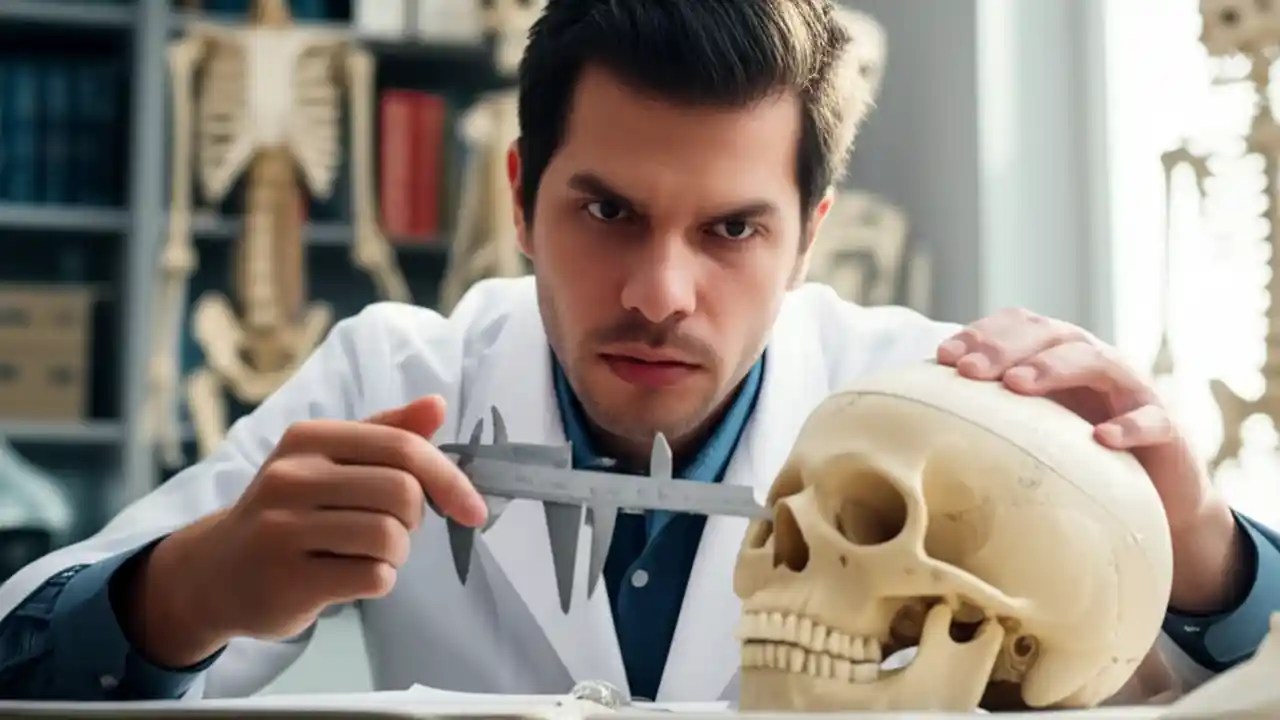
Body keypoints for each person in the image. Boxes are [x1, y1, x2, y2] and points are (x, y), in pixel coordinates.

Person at [1, 0, 1278, 705]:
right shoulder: (390, 374)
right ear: (518, 197)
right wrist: (188, 593)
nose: (659, 293)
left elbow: (1147, 687)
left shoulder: (945, 408)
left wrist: (1205, 556)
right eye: (604, 210)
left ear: (808, 236)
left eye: (731, 229)